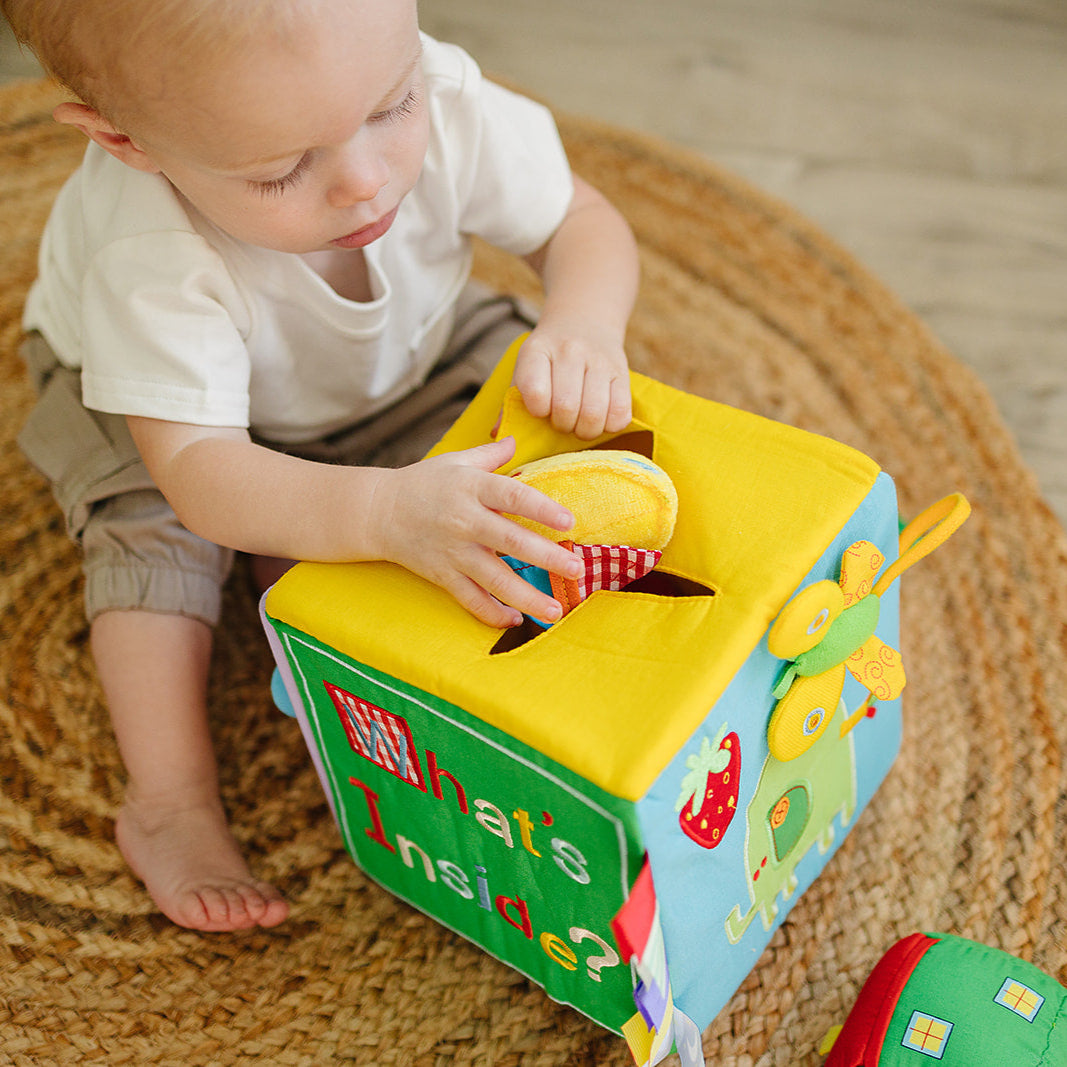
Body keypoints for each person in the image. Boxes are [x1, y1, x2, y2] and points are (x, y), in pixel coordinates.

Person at [3, 0, 639, 932]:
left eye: (391, 107)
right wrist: (380, 514)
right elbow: (197, 470)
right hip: (162, 416)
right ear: (129, 142)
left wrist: (580, 321)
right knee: (148, 540)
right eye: (281, 170)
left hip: (402, 357)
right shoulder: (152, 256)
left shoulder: (445, 95)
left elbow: (577, 221)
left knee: (538, 436)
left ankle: (313, 550)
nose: (366, 182)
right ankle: (170, 801)